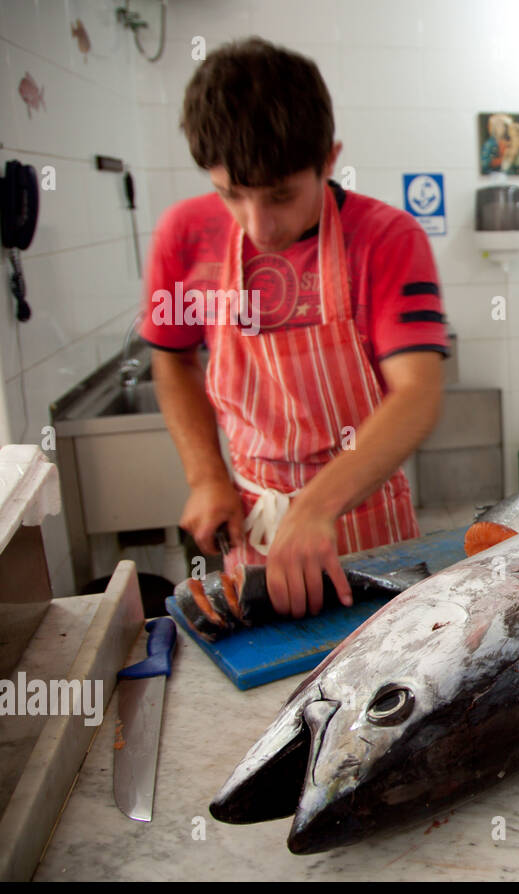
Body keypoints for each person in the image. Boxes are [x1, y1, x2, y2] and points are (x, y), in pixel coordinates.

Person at [141, 38, 448, 619]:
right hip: (254, 525)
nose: (258, 226)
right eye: (231, 195)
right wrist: (207, 476)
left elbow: (419, 392)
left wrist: (316, 507)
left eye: (281, 196)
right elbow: (173, 359)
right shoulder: (184, 235)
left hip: (367, 521)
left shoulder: (386, 239)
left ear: (329, 159)